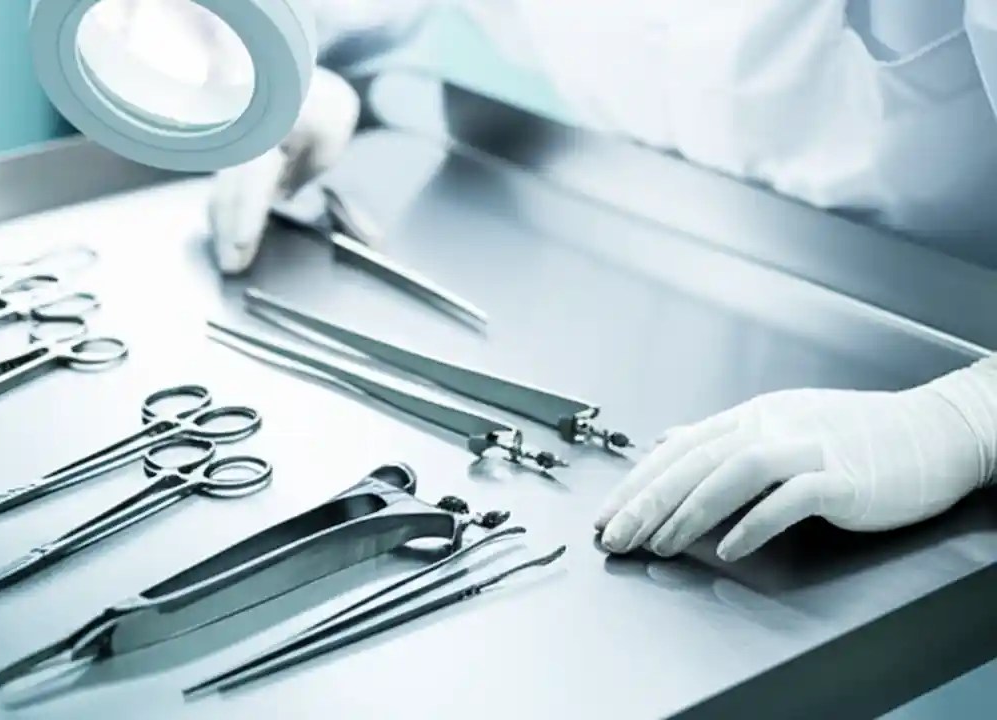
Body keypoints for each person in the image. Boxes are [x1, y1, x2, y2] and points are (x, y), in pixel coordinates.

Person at [206, 0, 997, 562]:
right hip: (638, 252)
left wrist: (972, 418)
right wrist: (300, 79)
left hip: (953, 311)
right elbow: (343, 21)